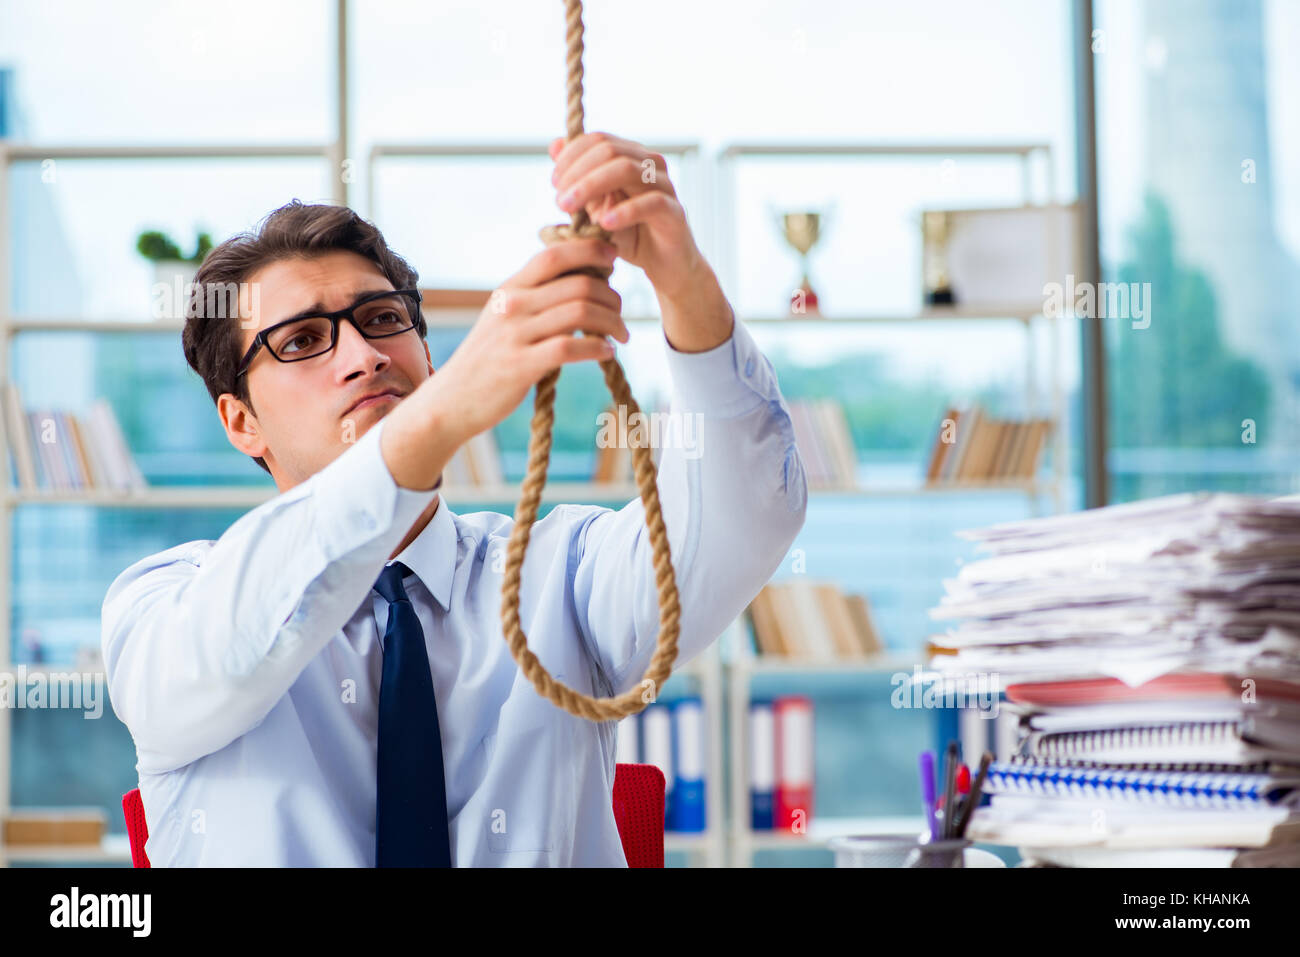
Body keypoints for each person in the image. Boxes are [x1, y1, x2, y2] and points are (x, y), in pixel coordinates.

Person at [102, 132, 808, 866]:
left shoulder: (560, 572)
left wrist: (680, 276)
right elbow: (223, 647)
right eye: (304, 340)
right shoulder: (162, 606)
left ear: (429, 355)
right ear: (240, 421)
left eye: (382, 320)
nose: (364, 354)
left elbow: (749, 512)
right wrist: (434, 420)